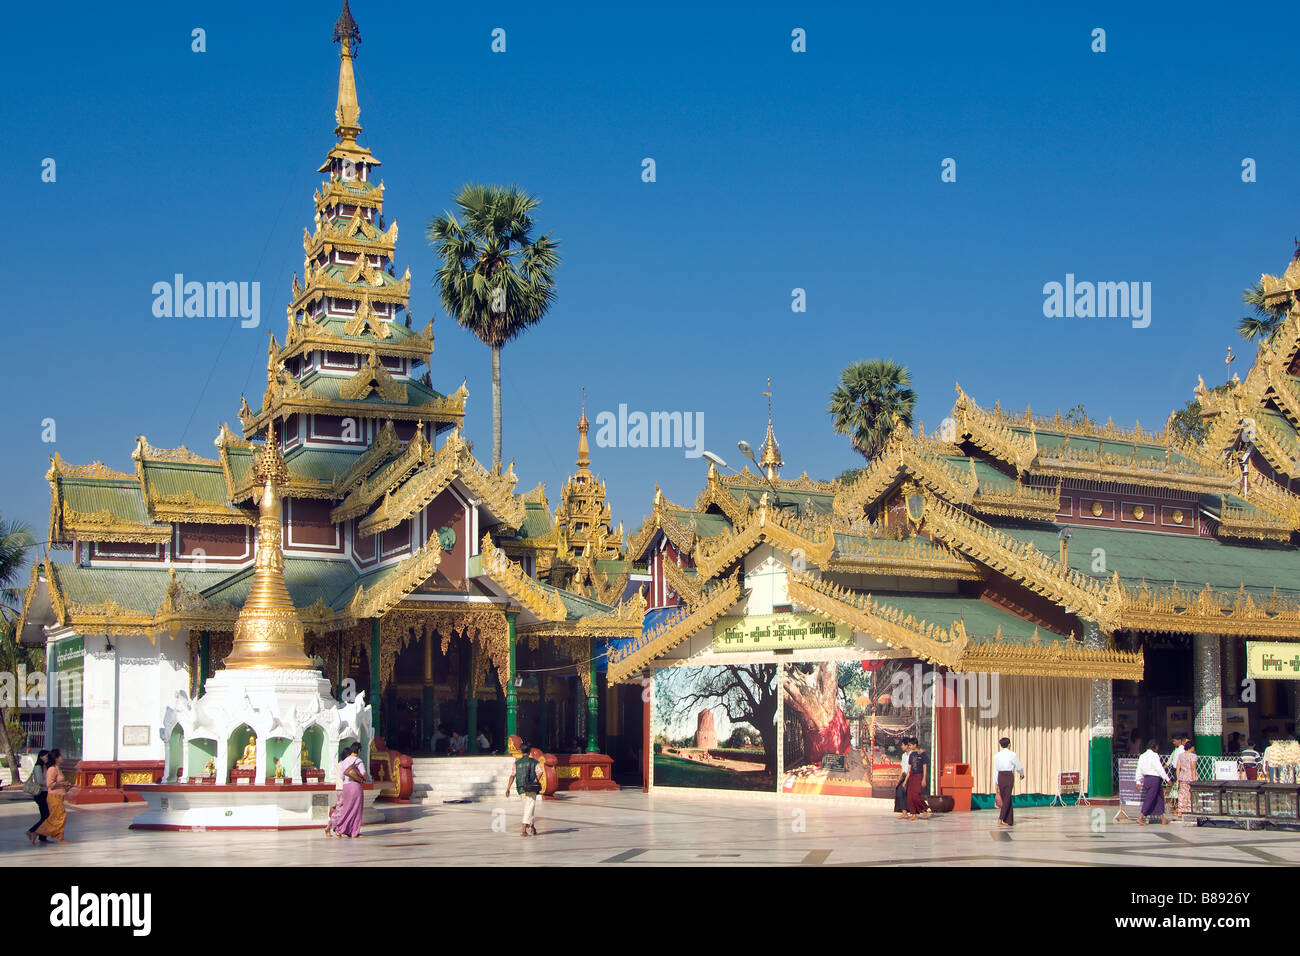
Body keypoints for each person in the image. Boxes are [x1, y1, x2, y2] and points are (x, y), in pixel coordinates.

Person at [326, 742, 368, 839]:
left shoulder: (344, 762)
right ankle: (354, 831)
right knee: (356, 809)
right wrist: (362, 777)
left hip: (346, 787)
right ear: (358, 750)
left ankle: (339, 827)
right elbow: (364, 774)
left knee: (346, 809)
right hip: (355, 786)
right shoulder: (358, 761)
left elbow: (342, 776)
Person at [505, 740, 542, 837]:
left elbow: (512, 775)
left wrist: (508, 788)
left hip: (520, 788)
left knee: (528, 807)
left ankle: (532, 826)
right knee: (529, 807)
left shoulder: (516, 763)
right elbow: (540, 772)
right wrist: (535, 780)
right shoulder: (535, 762)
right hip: (530, 788)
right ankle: (523, 829)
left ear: (521, 751)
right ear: (530, 752)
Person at [34, 750, 70, 843]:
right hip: (54, 796)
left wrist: (65, 784)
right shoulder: (52, 769)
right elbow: (50, 784)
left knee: (56, 817)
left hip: (59, 795)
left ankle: (37, 832)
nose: (62, 758)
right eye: (60, 756)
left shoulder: (57, 768)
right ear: (56, 758)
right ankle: (58, 837)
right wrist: (62, 783)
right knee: (60, 816)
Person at [993, 737, 1026, 828]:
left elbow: (995, 770)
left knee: (1006, 797)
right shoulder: (1012, 755)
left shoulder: (997, 755)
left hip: (1000, 776)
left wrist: (995, 783)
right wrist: (1022, 774)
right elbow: (1018, 766)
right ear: (1009, 745)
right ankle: (1000, 820)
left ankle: (1009, 820)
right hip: (1008, 777)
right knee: (1007, 798)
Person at [1136, 739, 1169, 825]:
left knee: (1159, 798)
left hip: (1147, 779)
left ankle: (1163, 819)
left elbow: (1139, 769)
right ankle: (1140, 817)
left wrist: (1138, 781)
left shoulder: (1142, 756)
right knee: (1150, 798)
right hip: (1154, 779)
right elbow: (1159, 768)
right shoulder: (1154, 755)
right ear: (1154, 747)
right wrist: (1167, 779)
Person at [25, 750, 50, 845]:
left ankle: (42, 836)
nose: (47, 758)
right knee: (46, 816)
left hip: (45, 792)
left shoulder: (45, 766)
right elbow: (39, 781)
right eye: (46, 756)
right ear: (41, 757)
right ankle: (32, 831)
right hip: (40, 794)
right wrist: (50, 783)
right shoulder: (38, 767)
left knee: (45, 816)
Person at [903, 739, 931, 820]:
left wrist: (924, 779)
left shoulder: (922, 754)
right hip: (911, 776)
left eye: (911, 745)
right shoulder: (911, 755)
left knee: (915, 795)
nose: (909, 746)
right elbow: (909, 768)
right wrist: (905, 781)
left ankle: (925, 808)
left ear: (915, 745)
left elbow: (925, 767)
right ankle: (914, 814)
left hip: (919, 776)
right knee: (909, 796)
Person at [1175, 739, 1198, 814]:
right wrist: (1194, 780)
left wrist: (1178, 778)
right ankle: (1189, 809)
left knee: (1182, 794)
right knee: (1190, 794)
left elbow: (1178, 768)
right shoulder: (1193, 756)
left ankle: (1180, 810)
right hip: (1190, 777)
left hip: (1182, 777)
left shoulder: (1181, 755)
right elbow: (1193, 769)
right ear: (1191, 747)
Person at [893, 738, 913, 816]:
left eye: (902, 745)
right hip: (904, 775)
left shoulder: (912, 754)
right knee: (899, 791)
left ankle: (907, 811)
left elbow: (910, 768)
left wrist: (905, 780)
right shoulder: (903, 755)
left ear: (907, 745)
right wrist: (900, 777)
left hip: (910, 776)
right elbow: (903, 767)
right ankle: (904, 811)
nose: (901, 746)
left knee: (904, 792)